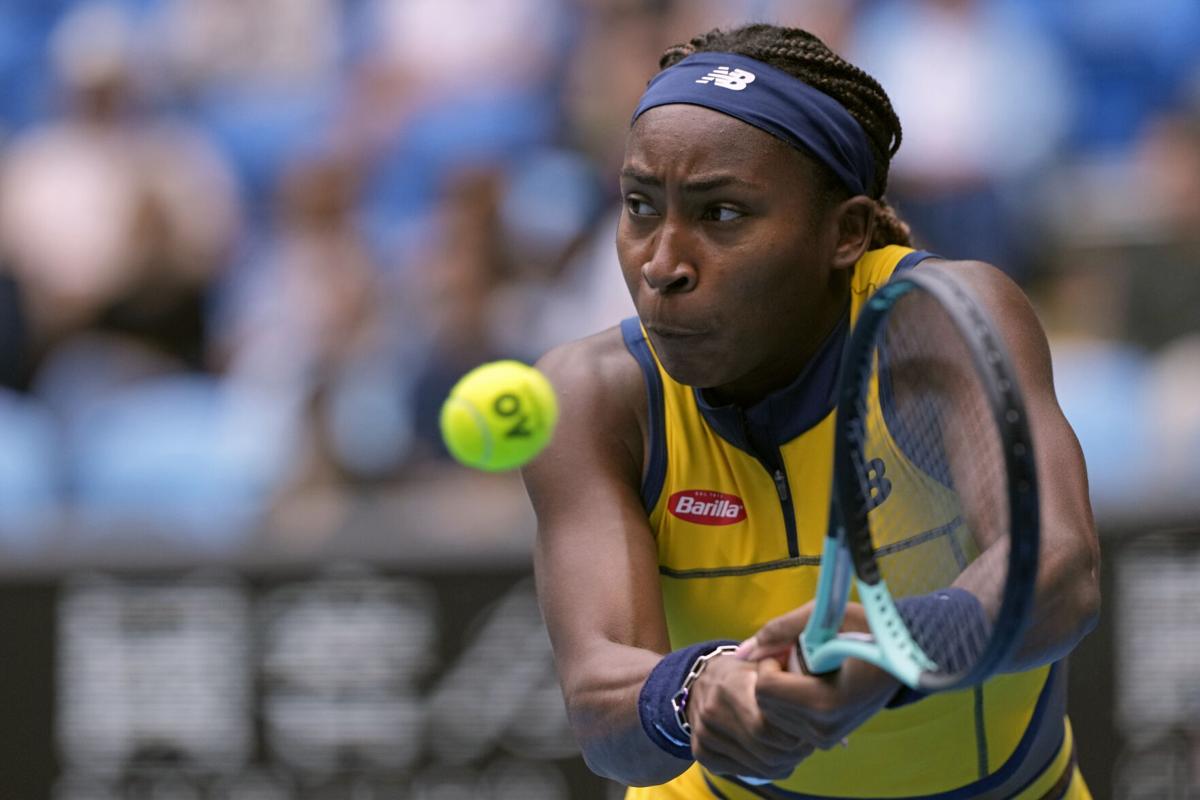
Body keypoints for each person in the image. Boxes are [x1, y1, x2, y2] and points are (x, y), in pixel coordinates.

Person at [521, 22, 1101, 800]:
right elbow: (600, 713)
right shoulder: (593, 399)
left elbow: (1060, 574)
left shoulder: (937, 323)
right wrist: (694, 691)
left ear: (846, 233)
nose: (662, 264)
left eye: (722, 214)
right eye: (639, 206)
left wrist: (892, 650)